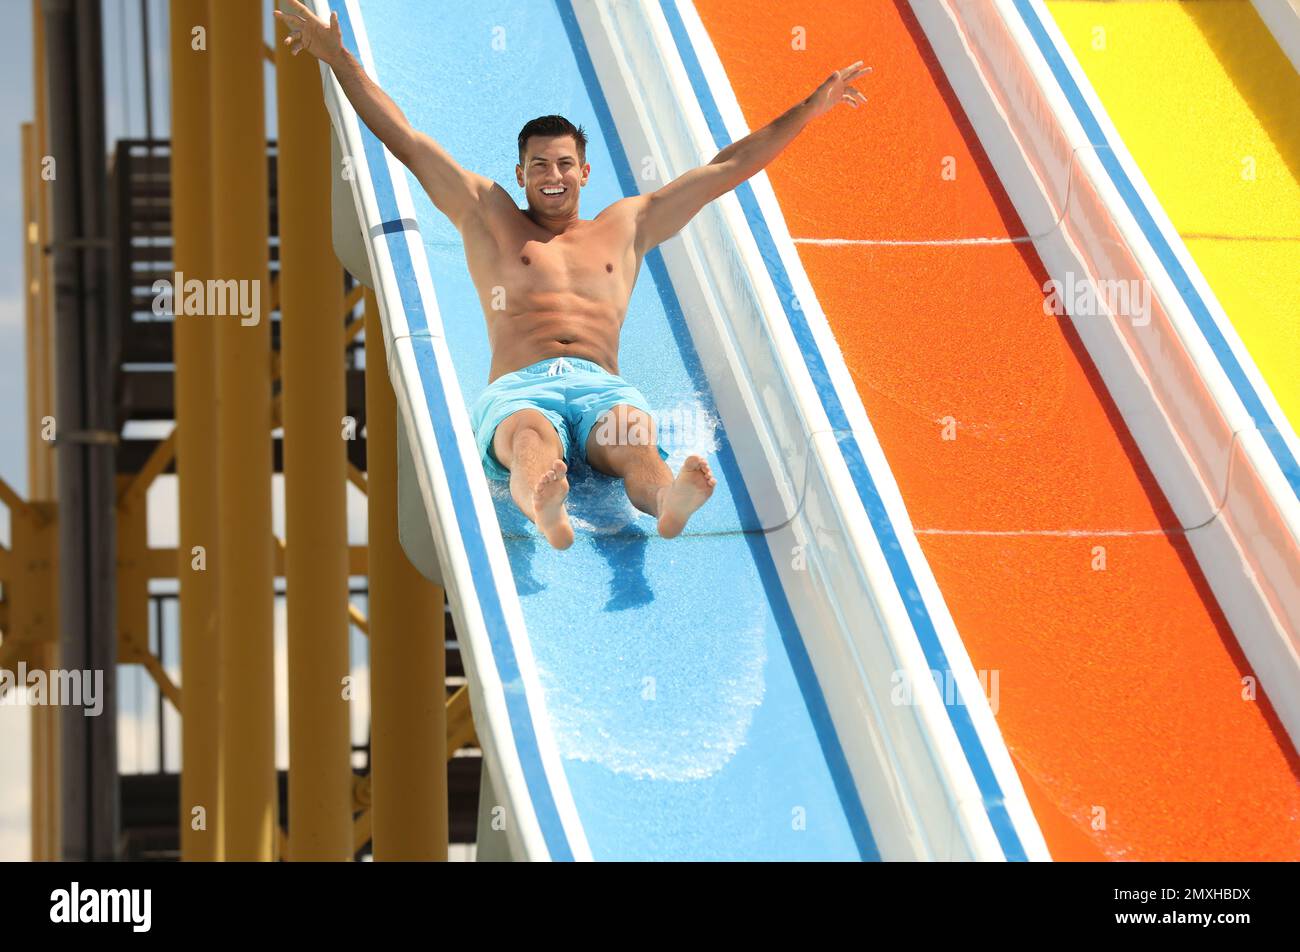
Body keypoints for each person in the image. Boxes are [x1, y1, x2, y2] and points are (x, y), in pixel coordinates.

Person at [276, 0, 869, 549]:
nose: (552, 175)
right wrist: (339, 59)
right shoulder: (488, 215)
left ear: (584, 171)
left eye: (564, 164)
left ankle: (667, 500)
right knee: (531, 440)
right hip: (519, 388)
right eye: (539, 165)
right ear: (521, 170)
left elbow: (727, 168)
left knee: (633, 436)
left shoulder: (629, 224)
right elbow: (404, 140)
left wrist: (808, 111)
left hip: (602, 387)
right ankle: (544, 506)